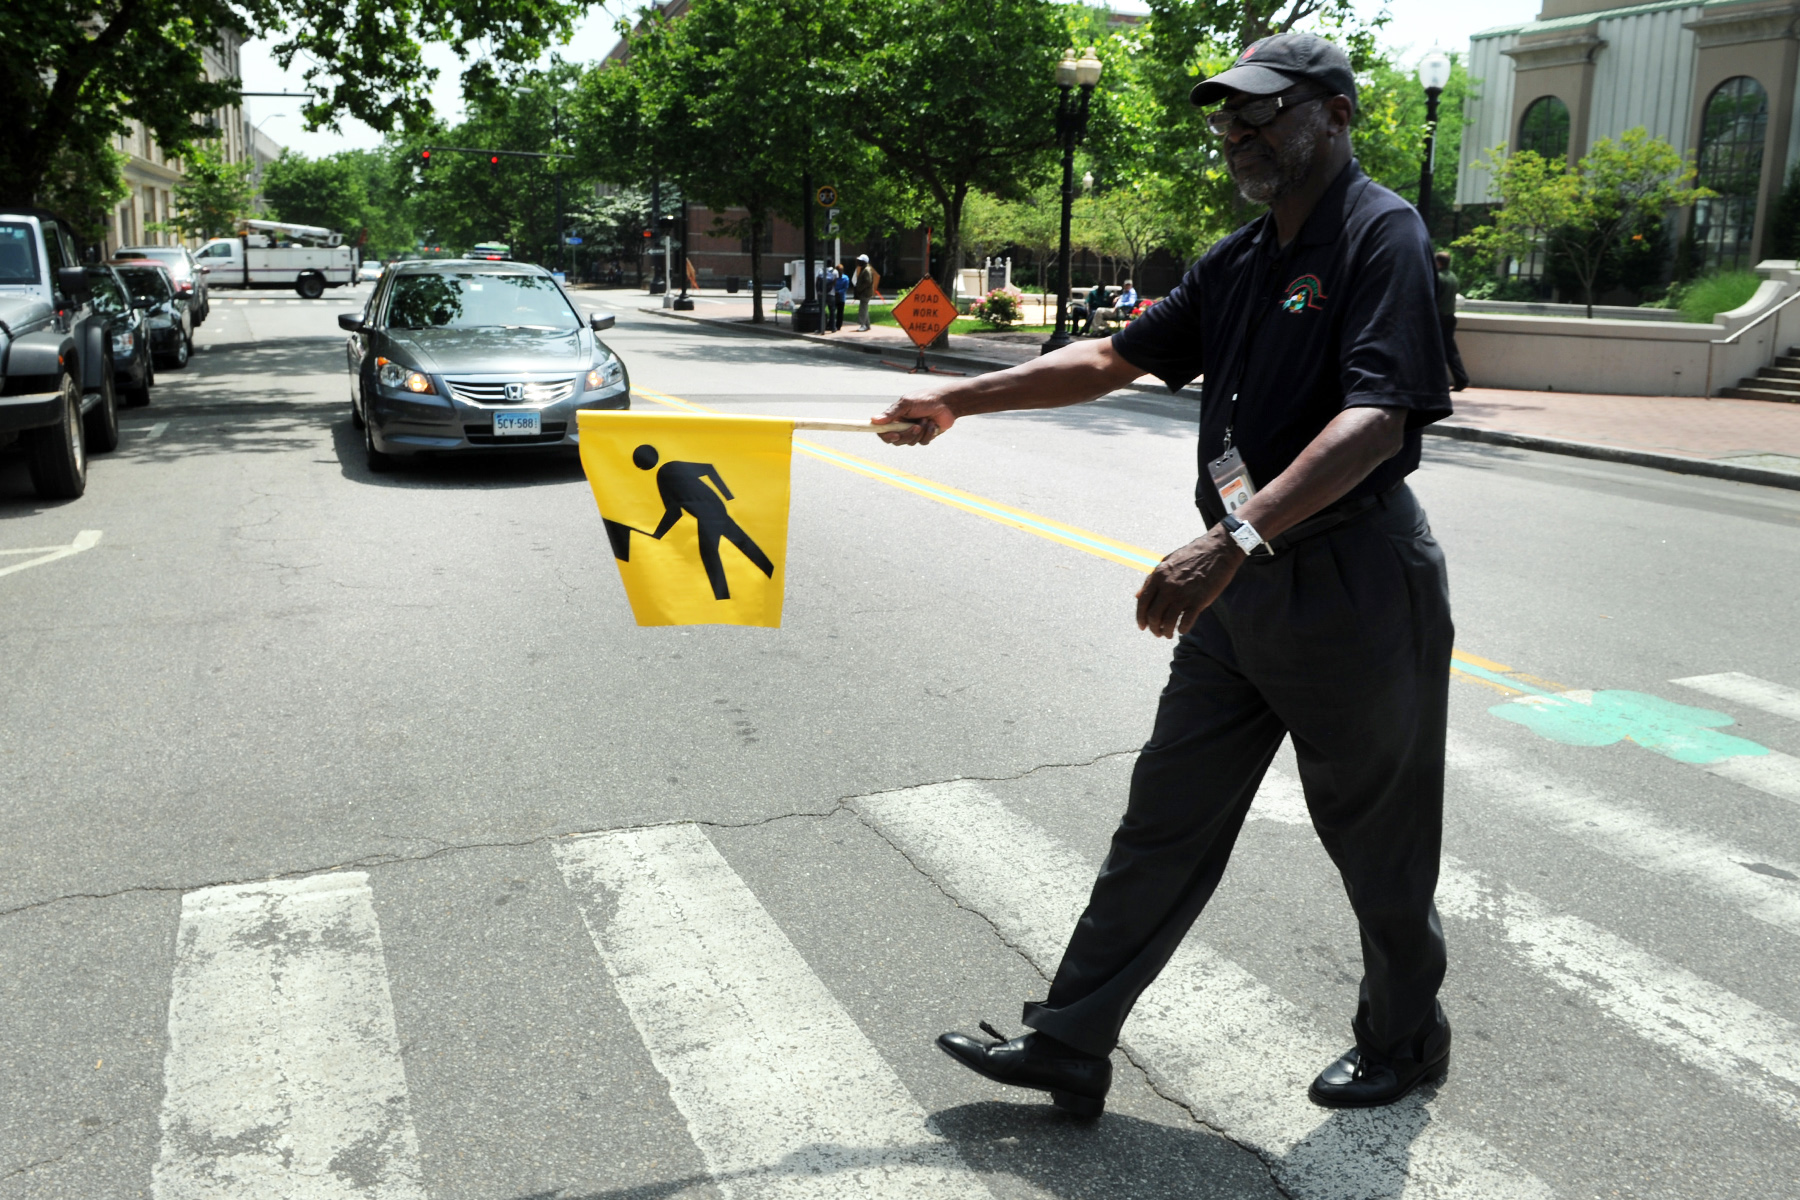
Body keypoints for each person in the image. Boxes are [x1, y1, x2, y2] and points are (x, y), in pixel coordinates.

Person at [873, 30, 1454, 1117]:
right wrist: (958, 400)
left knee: (1378, 842)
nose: (1237, 129)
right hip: (1242, 593)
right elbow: (1110, 357)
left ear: (1335, 113)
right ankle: (1071, 1042)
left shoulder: (1385, 236)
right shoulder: (1242, 260)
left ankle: (1407, 1036)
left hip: (1352, 584)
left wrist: (1233, 538)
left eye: (1263, 109)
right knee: (1164, 820)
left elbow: (1377, 421)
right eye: (1227, 113)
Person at [1434, 251, 1470, 391]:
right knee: (1450, 351)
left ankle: (1437, 382)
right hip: (1450, 317)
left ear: (1439, 263)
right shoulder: (1453, 277)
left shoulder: (1438, 277)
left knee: (1435, 350)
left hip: (1438, 317)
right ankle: (1461, 379)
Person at [852, 254, 876, 330]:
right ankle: (867, 325)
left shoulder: (866, 270)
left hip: (865, 293)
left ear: (864, 262)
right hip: (865, 292)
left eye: (860, 261)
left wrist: (860, 288)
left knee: (863, 309)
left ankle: (863, 325)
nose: (858, 262)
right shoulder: (865, 269)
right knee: (864, 308)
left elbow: (868, 281)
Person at [832, 262, 851, 332]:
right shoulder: (833, 277)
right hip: (833, 296)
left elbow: (845, 288)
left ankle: (838, 326)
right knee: (832, 311)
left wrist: (839, 292)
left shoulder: (845, 278)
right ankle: (832, 324)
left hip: (841, 297)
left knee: (840, 312)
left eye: (840, 271)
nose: (839, 273)